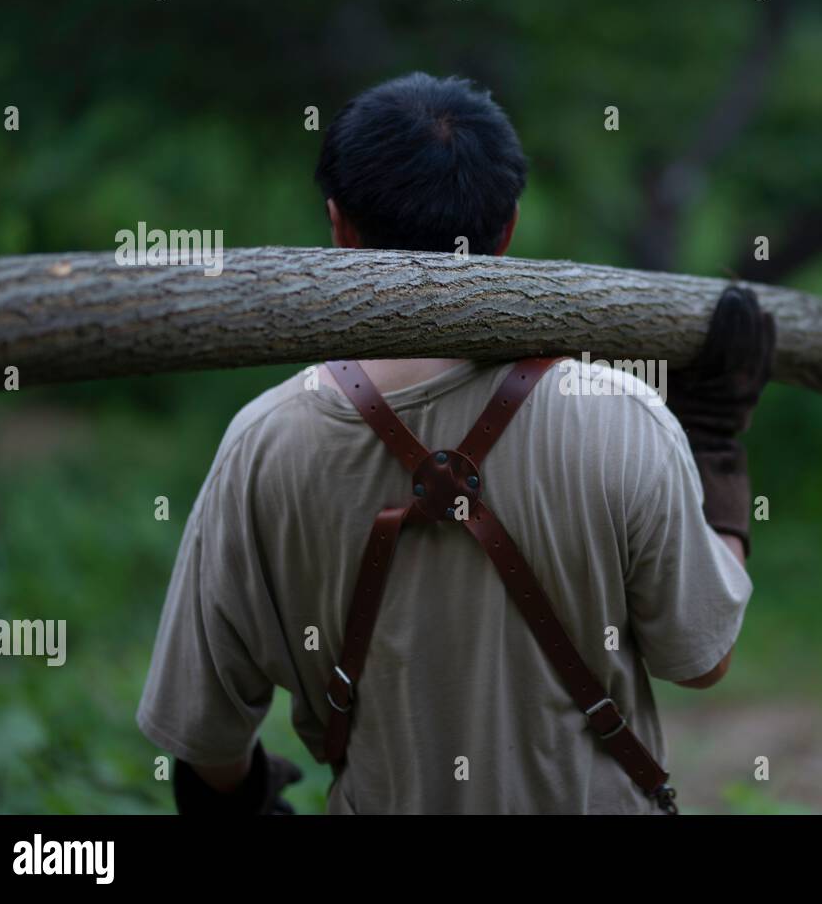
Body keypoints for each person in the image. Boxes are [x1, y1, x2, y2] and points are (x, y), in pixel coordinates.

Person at [136, 72, 775, 814]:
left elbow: (207, 743)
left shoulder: (264, 441)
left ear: (338, 225)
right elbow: (703, 659)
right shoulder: (624, 416)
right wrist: (719, 448)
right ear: (506, 229)